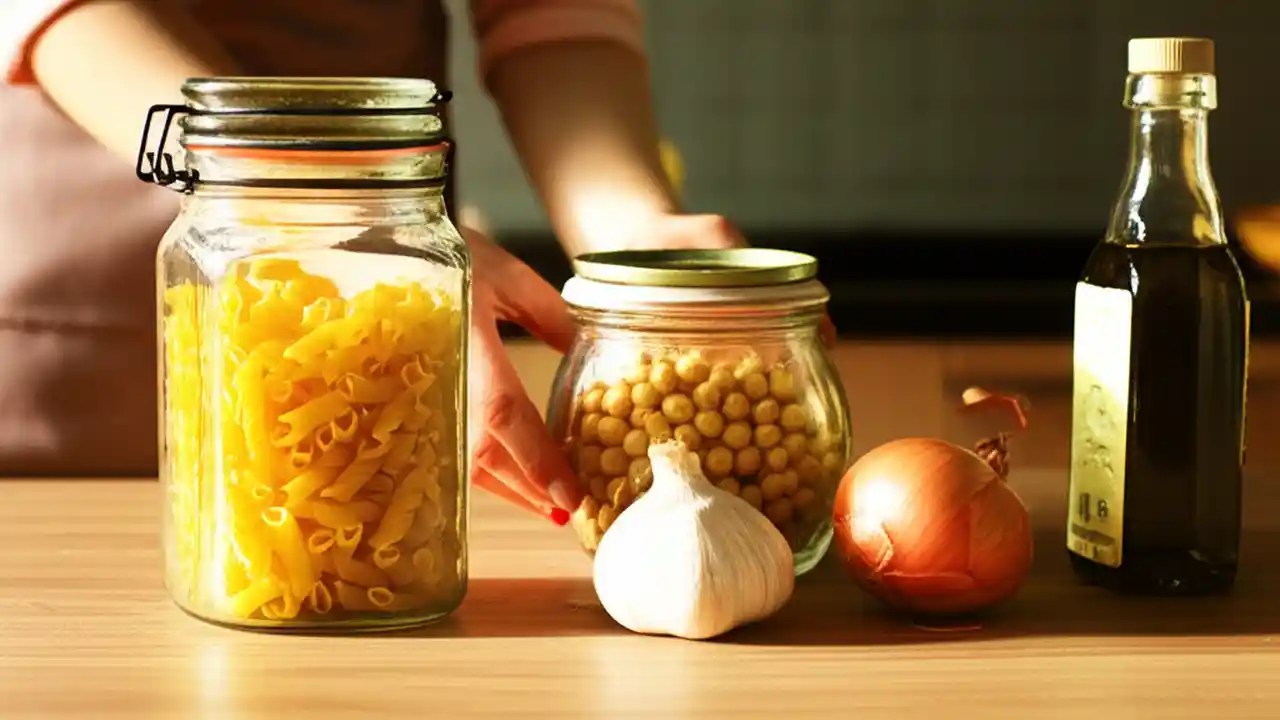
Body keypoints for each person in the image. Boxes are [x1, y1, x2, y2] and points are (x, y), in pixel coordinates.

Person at [1, 1, 746, 521]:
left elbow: (552, 15)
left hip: (381, 353)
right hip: (56, 356)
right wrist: (356, 216)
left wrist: (632, 239)